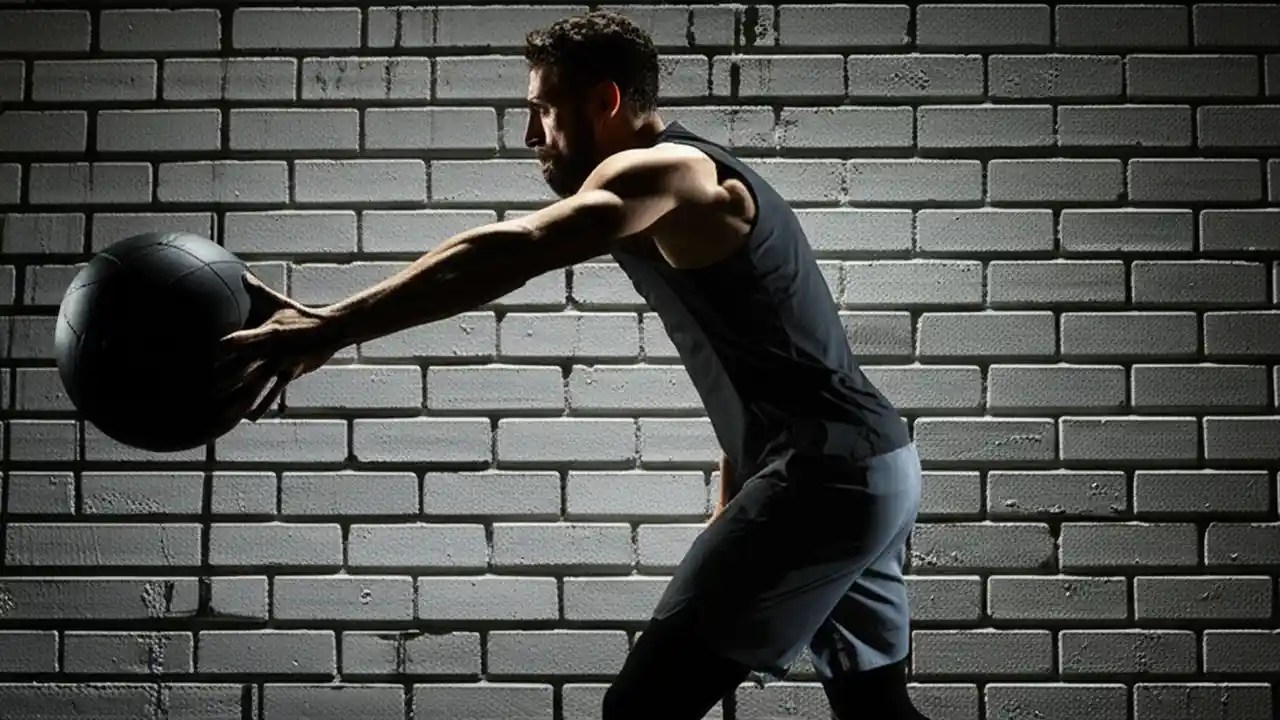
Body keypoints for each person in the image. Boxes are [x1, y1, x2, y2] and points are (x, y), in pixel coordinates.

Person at [215, 10, 932, 720]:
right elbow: (761, 356)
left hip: (824, 476)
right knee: (876, 714)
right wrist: (734, 498)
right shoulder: (686, 183)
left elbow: (514, 249)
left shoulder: (668, 172)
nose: (531, 136)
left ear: (605, 101)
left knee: (640, 711)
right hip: (874, 463)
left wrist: (332, 324)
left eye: (543, 110)